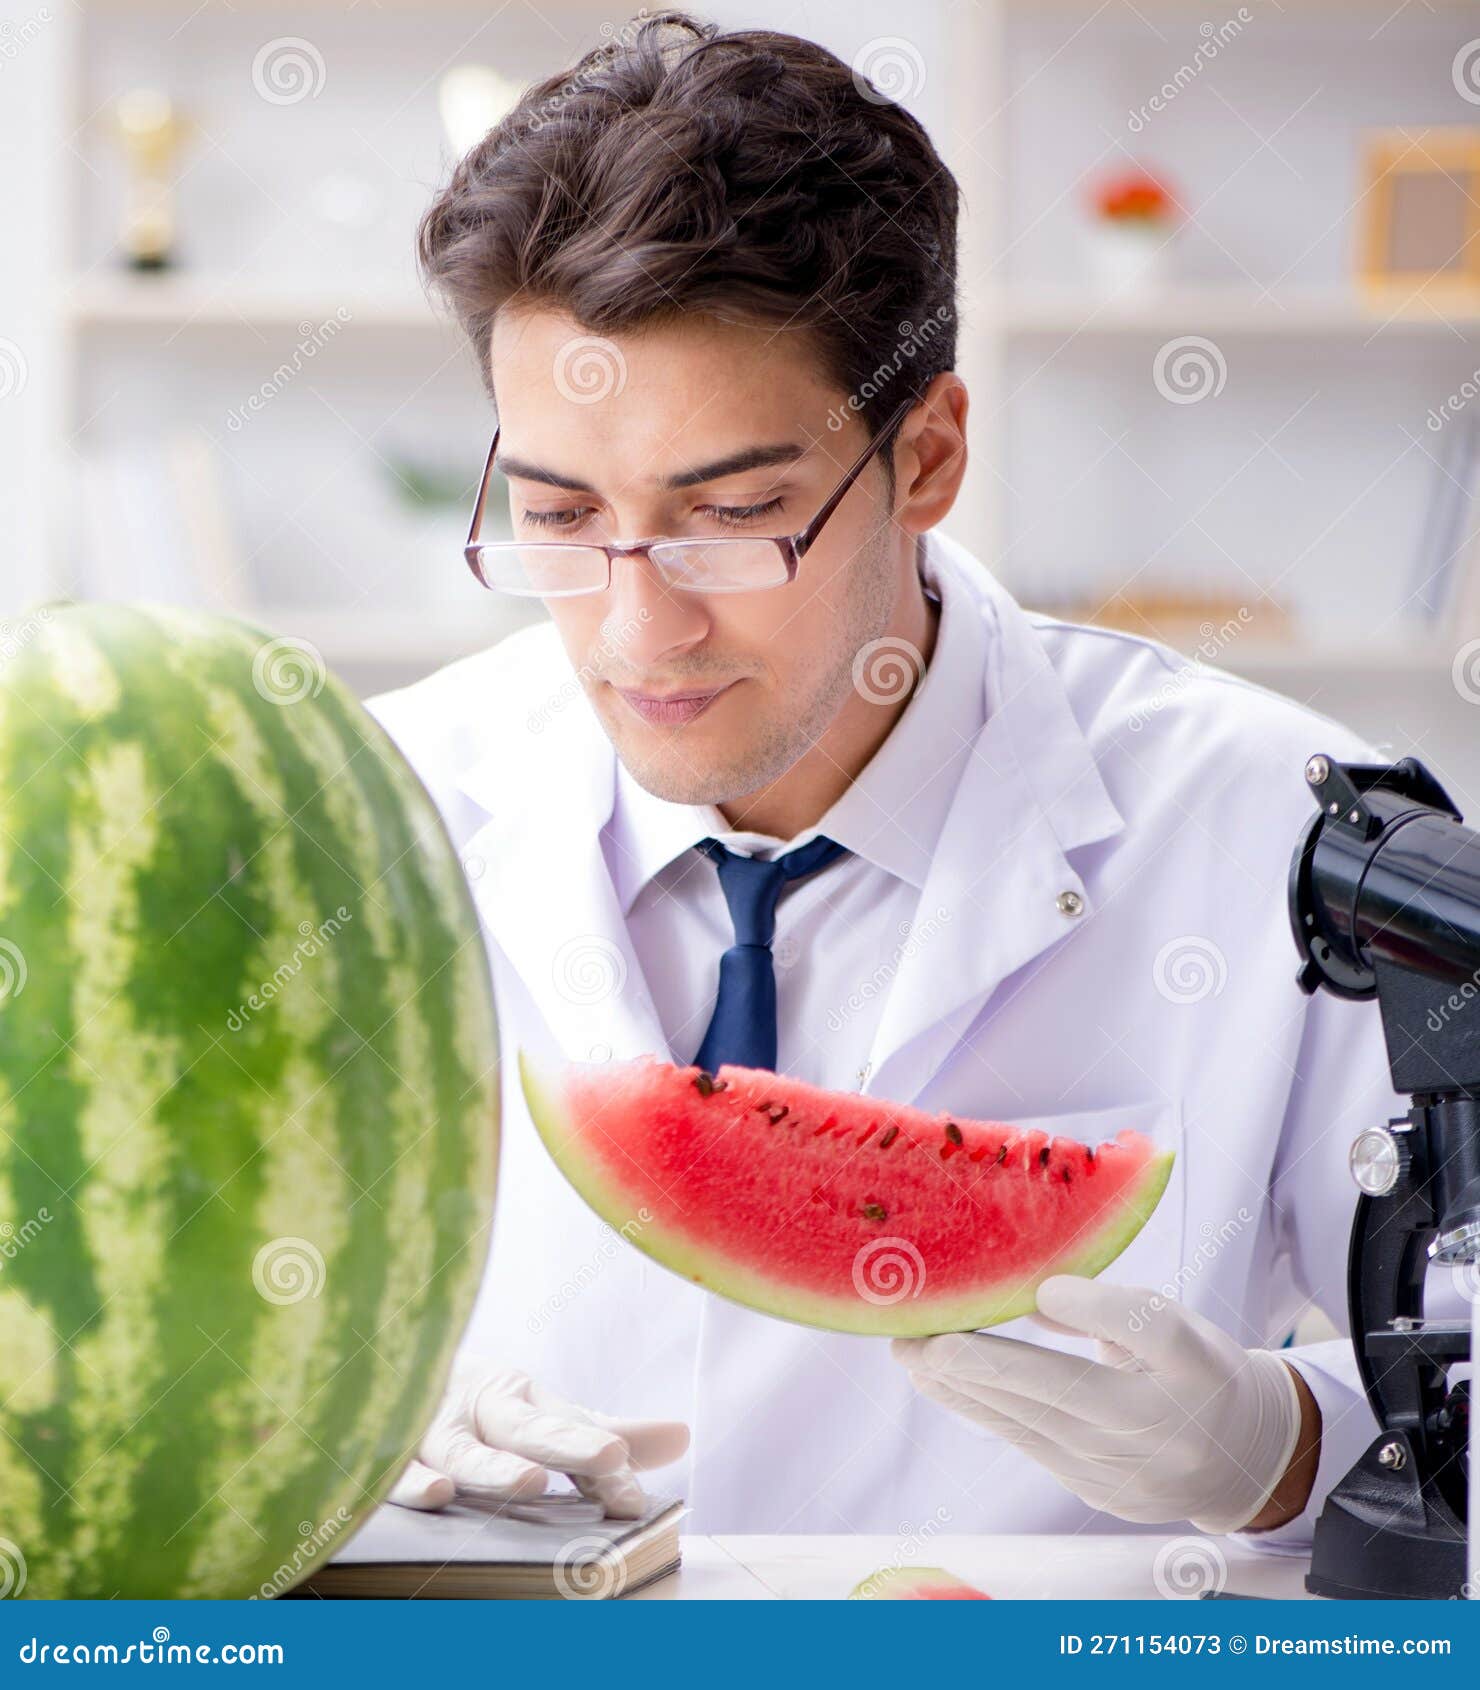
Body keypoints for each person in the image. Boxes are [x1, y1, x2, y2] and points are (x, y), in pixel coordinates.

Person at [366, 11, 1450, 1543]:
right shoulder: (378, 814)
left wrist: (1287, 1446)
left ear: (927, 454)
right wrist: (352, 1444)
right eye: (556, 515)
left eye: (731, 515)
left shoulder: (1289, 832)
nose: (634, 624)